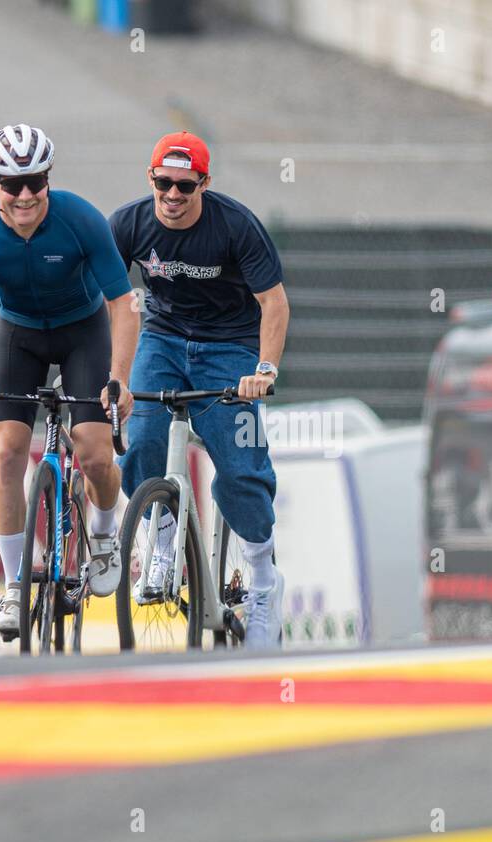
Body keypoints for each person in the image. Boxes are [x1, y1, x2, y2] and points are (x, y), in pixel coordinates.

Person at [0, 124, 138, 641]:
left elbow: (124, 305)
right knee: (8, 451)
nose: (27, 194)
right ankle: (13, 585)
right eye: (13, 184)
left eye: (36, 181)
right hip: (19, 337)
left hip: (84, 332)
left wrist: (118, 378)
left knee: (95, 452)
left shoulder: (81, 220)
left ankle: (102, 535)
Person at [108, 131, 290, 648]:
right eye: (163, 183)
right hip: (161, 341)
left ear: (204, 184)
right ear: (150, 179)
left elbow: (274, 305)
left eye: (184, 187)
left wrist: (265, 370)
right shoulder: (127, 224)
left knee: (241, 467)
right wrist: (110, 371)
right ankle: (162, 539)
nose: (172, 195)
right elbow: (106, 297)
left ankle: (262, 584)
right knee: (139, 440)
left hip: (230, 347)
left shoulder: (236, 226)